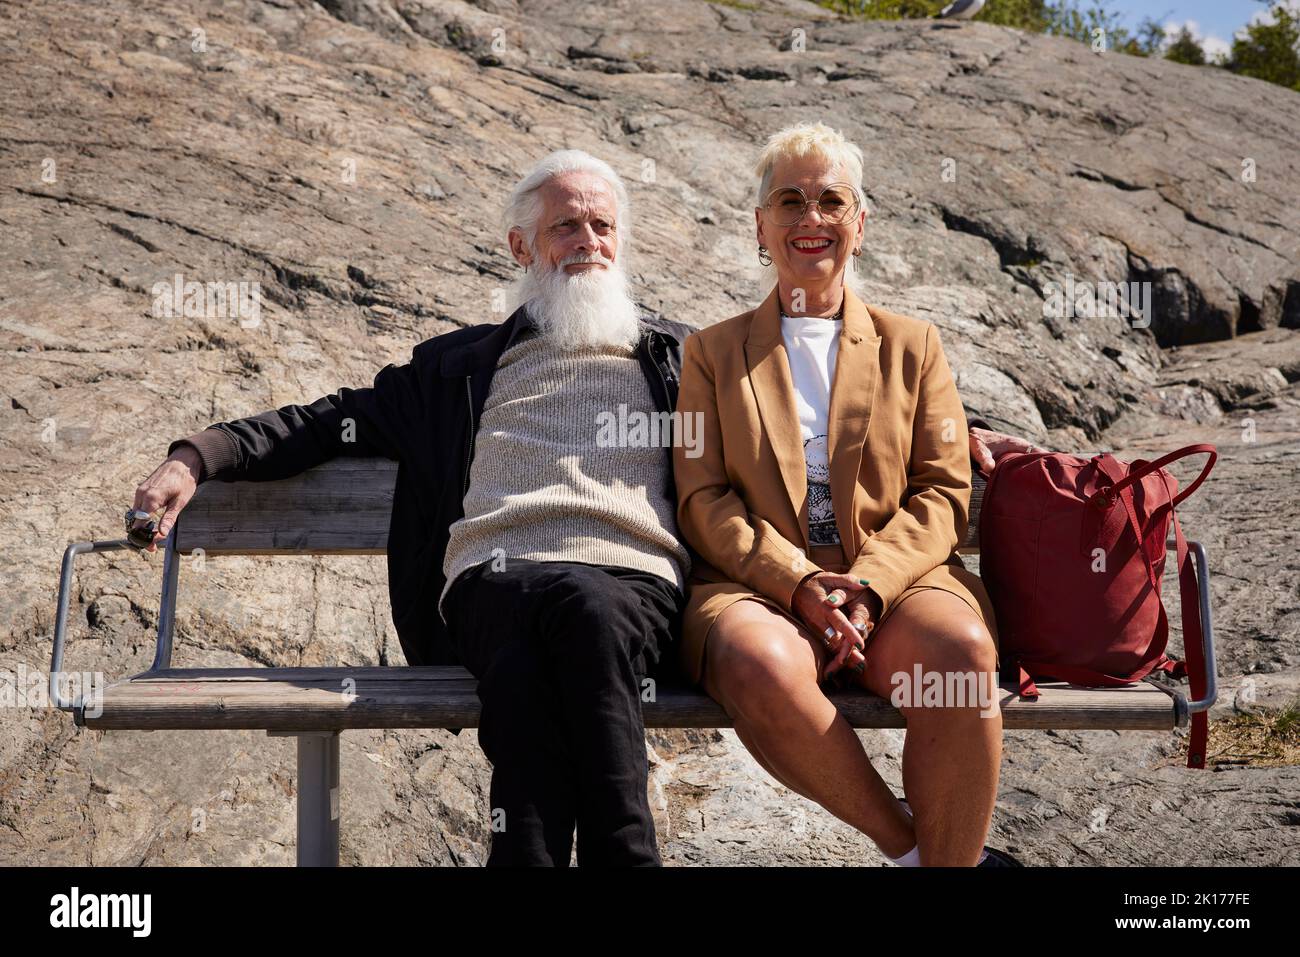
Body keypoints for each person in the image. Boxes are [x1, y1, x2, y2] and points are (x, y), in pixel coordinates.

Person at [130, 144, 1036, 867]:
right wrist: (193, 458)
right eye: (566, 226)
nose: (590, 242)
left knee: (578, 613)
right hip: (496, 583)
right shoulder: (457, 367)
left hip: (626, 588)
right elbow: (325, 423)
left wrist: (971, 433)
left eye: (603, 225)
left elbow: (809, 393)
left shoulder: (682, 357)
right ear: (524, 247)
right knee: (536, 613)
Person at [673, 122, 1025, 866]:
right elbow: (704, 499)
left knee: (961, 657)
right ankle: (907, 849)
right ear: (759, 226)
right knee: (758, 663)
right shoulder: (709, 353)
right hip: (759, 588)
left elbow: (941, 489)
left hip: (899, 583)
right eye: (789, 200)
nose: (811, 219)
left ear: (859, 226)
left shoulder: (915, 345)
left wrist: (867, 585)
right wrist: (799, 584)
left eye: (832, 200)